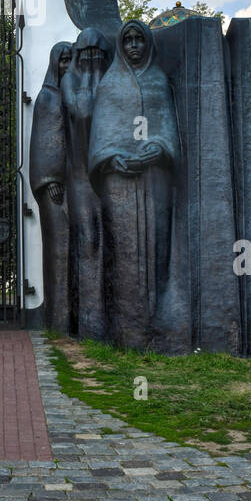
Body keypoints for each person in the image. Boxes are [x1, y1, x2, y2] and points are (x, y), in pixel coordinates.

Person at [88, 19, 180, 348]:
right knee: (123, 248)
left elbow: (167, 125)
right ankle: (125, 330)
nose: (133, 47)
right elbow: (102, 133)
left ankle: (158, 328)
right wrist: (112, 157)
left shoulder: (157, 80)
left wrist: (159, 147)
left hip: (154, 177)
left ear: (148, 43)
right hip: (119, 182)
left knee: (157, 246)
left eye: (138, 40)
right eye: (127, 41)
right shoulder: (110, 85)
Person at [61, 28, 112, 339]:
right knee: (88, 239)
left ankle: (107, 320)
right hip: (80, 175)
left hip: (107, 174)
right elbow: (82, 112)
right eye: (86, 53)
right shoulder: (71, 80)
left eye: (98, 53)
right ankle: (88, 321)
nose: (92, 58)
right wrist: (92, 79)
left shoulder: (112, 78)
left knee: (112, 240)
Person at [29, 41, 73, 332]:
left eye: (71, 60)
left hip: (78, 183)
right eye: (63, 60)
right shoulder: (48, 97)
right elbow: (45, 144)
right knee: (59, 251)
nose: (67, 66)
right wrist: (50, 180)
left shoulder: (77, 94)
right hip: (55, 188)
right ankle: (59, 317)